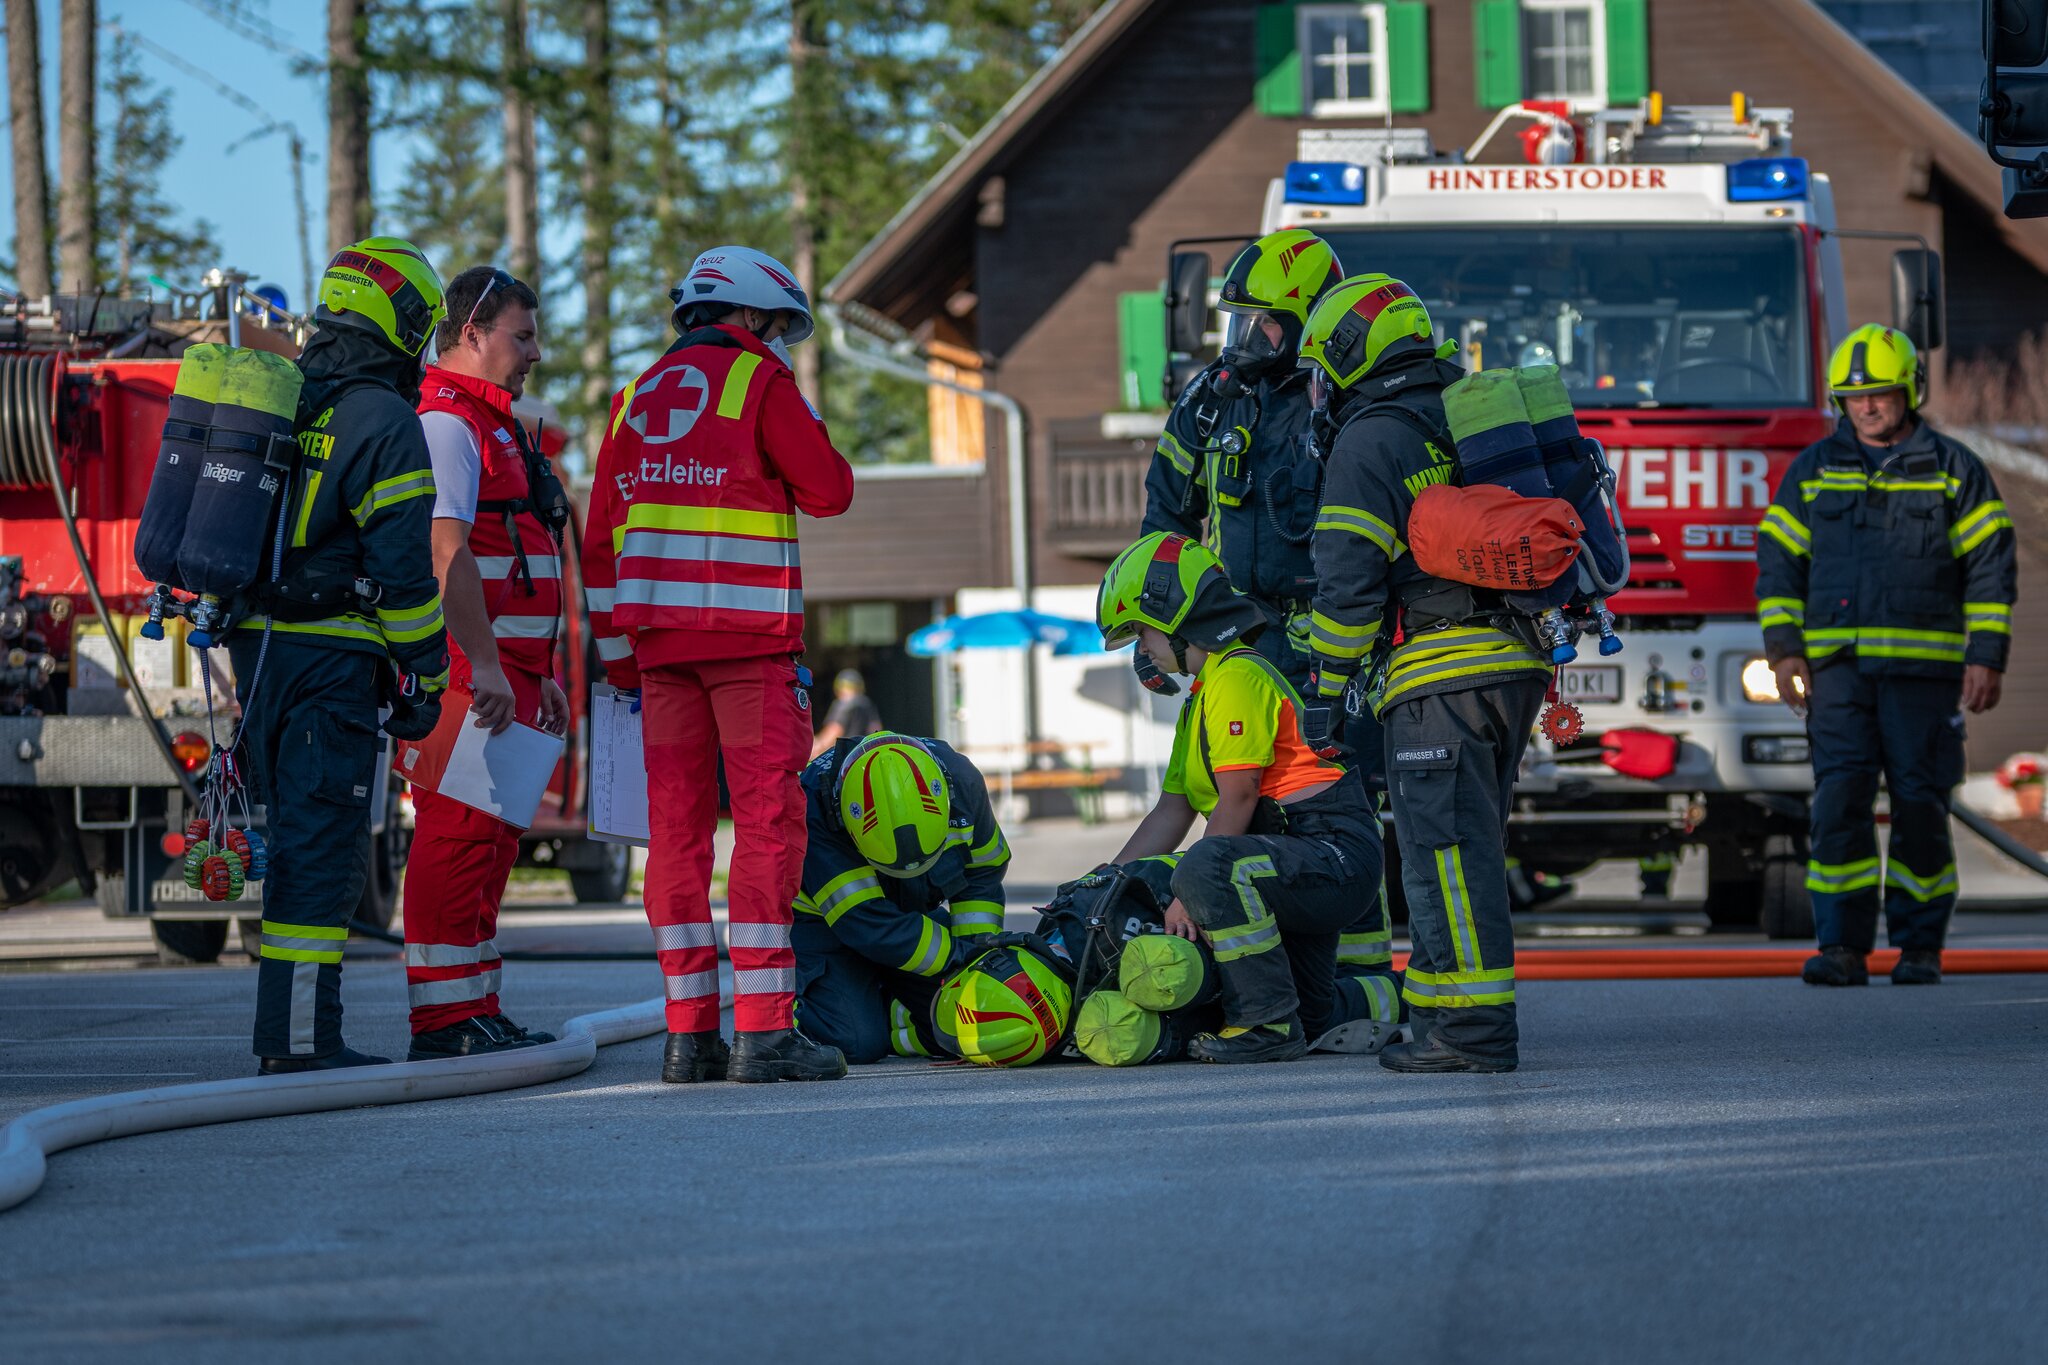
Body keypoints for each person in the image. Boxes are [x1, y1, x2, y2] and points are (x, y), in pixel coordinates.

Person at [583, 245, 855, 1083]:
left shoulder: (630, 401)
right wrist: (795, 405)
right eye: (776, 330)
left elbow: (600, 543)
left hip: (659, 656)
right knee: (767, 830)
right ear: (749, 317)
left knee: (675, 838)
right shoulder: (761, 385)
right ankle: (766, 1033)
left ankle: (688, 1034)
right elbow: (831, 489)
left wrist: (621, 662)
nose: (778, 344)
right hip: (748, 647)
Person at [1300, 273, 1553, 1074]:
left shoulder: (1369, 438)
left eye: (1320, 368)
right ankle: (1437, 1012)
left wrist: (1324, 692)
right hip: (1512, 662)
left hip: (1440, 673)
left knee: (1446, 853)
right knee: (1455, 843)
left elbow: (1346, 589)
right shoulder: (1462, 410)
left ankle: (1473, 1032)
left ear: (1347, 355)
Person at [232, 237, 452, 1073]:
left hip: (260, 657)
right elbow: (403, 578)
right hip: (330, 670)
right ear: (398, 322)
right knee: (321, 853)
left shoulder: (286, 394)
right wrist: (427, 675)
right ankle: (299, 1044)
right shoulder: (384, 420)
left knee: (295, 842)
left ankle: (298, 1035)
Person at [1755, 324, 2015, 987]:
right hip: (1837, 673)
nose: (1867, 406)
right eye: (1854, 396)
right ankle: (1840, 946)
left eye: (1881, 393)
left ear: (1911, 392)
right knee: (1838, 803)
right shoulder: (1811, 471)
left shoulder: (1956, 469)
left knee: (1921, 805)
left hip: (1923, 678)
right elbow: (1779, 565)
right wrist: (1784, 651)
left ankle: (1919, 945)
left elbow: (1990, 568)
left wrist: (1987, 654)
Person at [1098, 532, 1399, 1062]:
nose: (1141, 648)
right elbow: (1172, 810)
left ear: (1174, 617)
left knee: (1205, 865)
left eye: (1141, 632)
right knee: (1314, 1012)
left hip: (1331, 850)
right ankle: (1420, 1000)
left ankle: (1265, 1027)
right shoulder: (1201, 698)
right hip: (1294, 859)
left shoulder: (1236, 674)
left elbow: (1238, 797)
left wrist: (1190, 892)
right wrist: (1102, 883)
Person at [400, 266, 570, 1060]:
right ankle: (441, 1020)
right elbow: (447, 554)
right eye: (522, 335)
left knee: (491, 843)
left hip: (508, 676)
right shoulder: (448, 424)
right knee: (457, 835)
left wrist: (544, 677)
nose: (535, 352)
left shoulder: (491, 422)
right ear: (472, 331)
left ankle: (475, 1006)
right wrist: (489, 665)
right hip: (471, 678)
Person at [1141, 228, 1344, 698]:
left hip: (1333, 641)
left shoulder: (1343, 398)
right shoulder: (1209, 398)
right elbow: (1166, 518)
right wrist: (1153, 622)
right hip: (1238, 636)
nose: (1243, 340)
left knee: (1334, 771)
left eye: (1262, 323)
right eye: (1238, 323)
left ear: (1309, 320)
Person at [789, 731, 1013, 1065]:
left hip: (907, 922)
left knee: (967, 1027)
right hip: (825, 928)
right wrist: (960, 956)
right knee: (858, 1043)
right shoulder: (815, 806)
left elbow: (982, 877)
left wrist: (977, 963)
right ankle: (793, 1004)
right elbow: (868, 924)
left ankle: (883, 1002)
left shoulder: (963, 783)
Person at [809, 667, 882, 759]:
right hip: (865, 757)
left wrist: (816, 747)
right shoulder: (867, 704)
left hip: (846, 759)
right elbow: (876, 730)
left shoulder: (842, 704)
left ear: (838, 688)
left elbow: (834, 731)